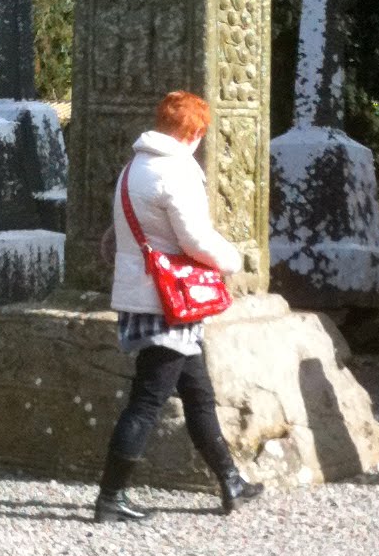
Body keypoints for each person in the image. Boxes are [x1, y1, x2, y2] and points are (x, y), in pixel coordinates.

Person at [95, 90, 263, 523]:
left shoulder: (133, 167)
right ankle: (110, 499)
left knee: (198, 394)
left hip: (147, 294)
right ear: (195, 132)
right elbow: (195, 240)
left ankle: (231, 482)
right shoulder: (176, 172)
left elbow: (119, 234)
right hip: (169, 302)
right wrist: (233, 259)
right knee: (148, 399)